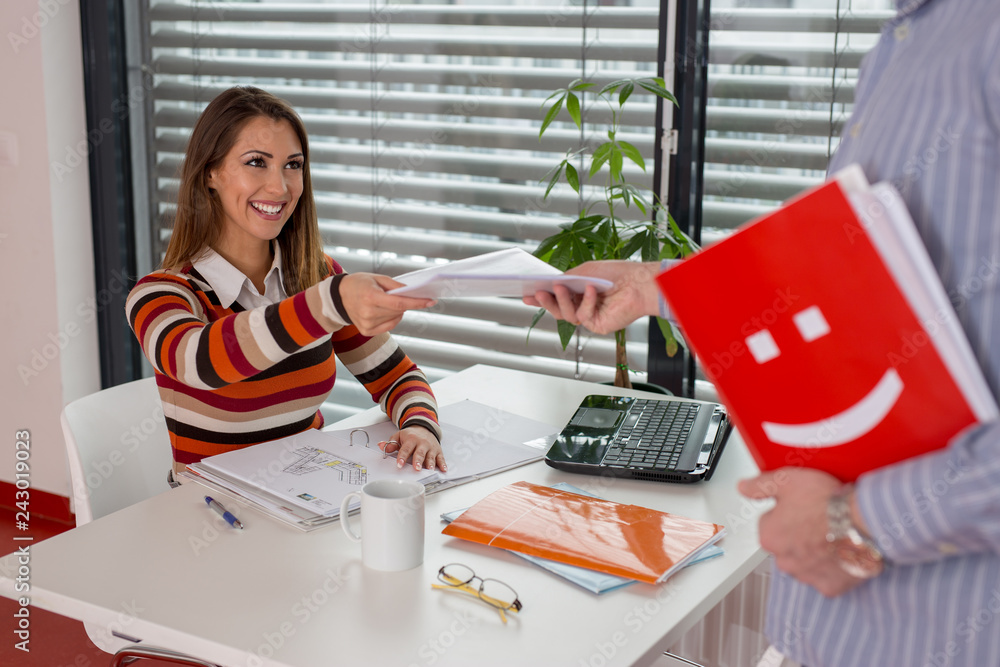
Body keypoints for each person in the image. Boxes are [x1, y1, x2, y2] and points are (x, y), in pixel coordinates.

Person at [527, 0, 1000, 664]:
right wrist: (654, 285)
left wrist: (853, 516)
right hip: (825, 633)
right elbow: (851, 297)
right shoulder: (903, 45)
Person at [126, 86, 447, 477]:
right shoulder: (160, 295)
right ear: (211, 173)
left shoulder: (316, 275)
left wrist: (418, 425)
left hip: (311, 497)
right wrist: (330, 303)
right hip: (213, 513)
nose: (280, 187)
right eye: (256, 162)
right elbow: (201, 363)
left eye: (292, 165)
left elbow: (397, 375)